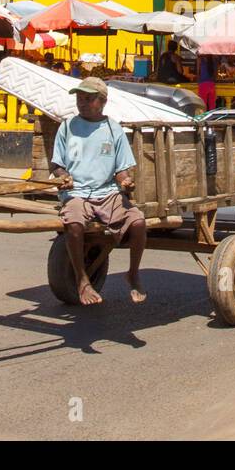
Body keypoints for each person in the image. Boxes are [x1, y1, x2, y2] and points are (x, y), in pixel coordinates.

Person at [48, 76, 148, 304]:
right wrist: (63, 177)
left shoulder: (114, 130)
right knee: (73, 224)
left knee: (139, 222)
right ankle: (82, 280)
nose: (81, 102)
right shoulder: (67, 127)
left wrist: (125, 181)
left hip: (108, 193)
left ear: (102, 101)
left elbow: (121, 170)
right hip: (76, 194)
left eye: (87, 98)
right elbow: (57, 165)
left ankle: (133, 273)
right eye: (79, 98)